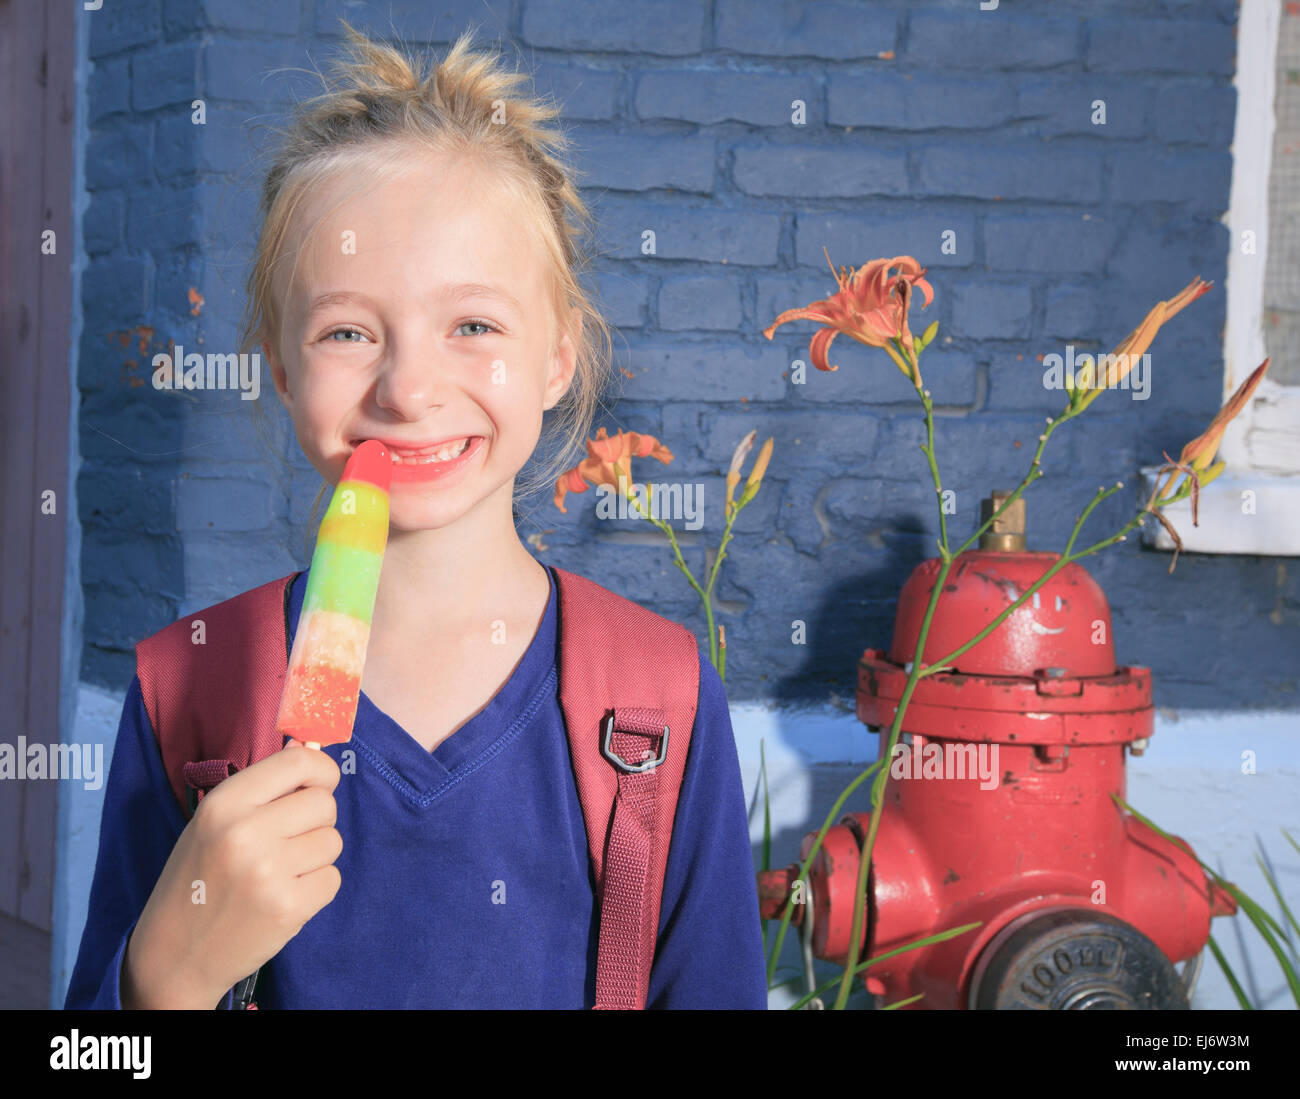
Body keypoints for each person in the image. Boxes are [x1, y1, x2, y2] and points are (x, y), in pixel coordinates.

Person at [63, 23, 767, 1010]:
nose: (408, 390)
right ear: (279, 367)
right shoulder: (187, 684)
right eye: (347, 331)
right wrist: (163, 978)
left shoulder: (659, 699)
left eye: (472, 325)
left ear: (558, 353)